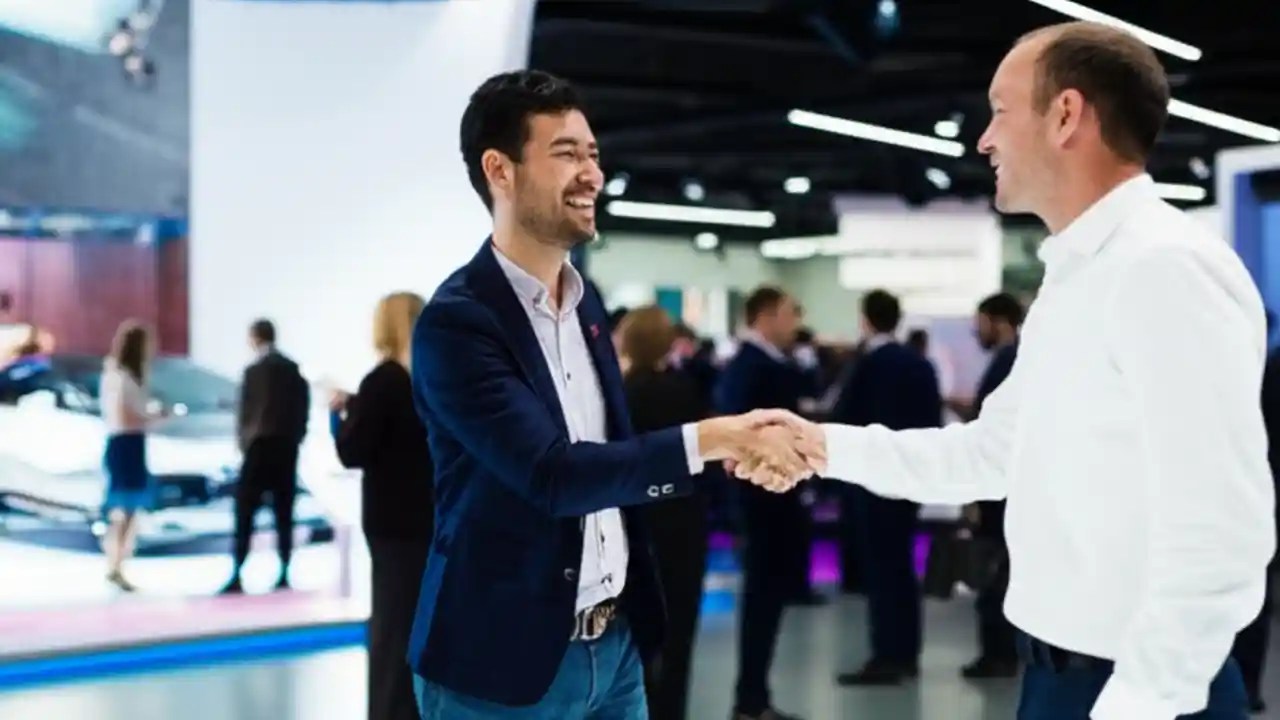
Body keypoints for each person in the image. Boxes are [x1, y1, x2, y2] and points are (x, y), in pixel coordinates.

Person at [737, 21, 1273, 720]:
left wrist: (1139, 701)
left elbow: (1221, 525)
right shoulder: (1078, 277)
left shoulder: (1163, 267)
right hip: (1062, 676)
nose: (984, 139)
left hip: (1136, 690)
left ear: (1065, 115)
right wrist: (820, 445)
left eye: (998, 111)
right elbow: (992, 454)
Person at [406, 69, 810, 720]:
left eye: (593, 154)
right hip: (501, 665)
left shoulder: (586, 303)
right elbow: (551, 475)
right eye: (566, 153)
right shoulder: (458, 324)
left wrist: (719, 459)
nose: (592, 173)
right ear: (499, 170)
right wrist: (714, 437)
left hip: (615, 647)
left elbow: (611, 454)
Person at [329, 291, 434, 720]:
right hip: (427, 520)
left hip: (391, 525)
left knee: (391, 628)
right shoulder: (430, 383)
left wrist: (338, 416)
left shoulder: (383, 381)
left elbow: (353, 451)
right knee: (415, 627)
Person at [831, 289, 941, 687]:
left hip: (872, 483)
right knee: (900, 568)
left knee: (881, 571)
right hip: (908, 481)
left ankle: (886, 656)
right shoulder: (917, 363)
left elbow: (845, 418)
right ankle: (906, 652)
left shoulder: (866, 365)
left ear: (866, 319)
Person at [715, 285, 813, 720]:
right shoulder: (752, 367)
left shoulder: (765, 365)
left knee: (767, 601)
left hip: (771, 504)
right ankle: (750, 700)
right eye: (791, 312)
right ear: (767, 315)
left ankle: (755, 698)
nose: (796, 322)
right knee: (761, 601)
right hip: (762, 506)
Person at [616, 306, 711, 720]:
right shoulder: (684, 392)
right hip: (680, 529)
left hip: (628, 528)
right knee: (677, 638)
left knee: (628, 638)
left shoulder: (615, 395)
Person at [958, 291, 1024, 680]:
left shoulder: (1008, 362)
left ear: (998, 321)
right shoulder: (1014, 361)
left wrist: (975, 494)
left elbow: (992, 438)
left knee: (994, 570)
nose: (976, 330)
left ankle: (998, 652)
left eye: (980, 322)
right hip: (1009, 491)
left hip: (1001, 494)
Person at [221, 319, 311, 594]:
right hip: (286, 448)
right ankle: (284, 571)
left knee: (245, 512)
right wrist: (296, 438)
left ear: (254, 338)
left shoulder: (254, 370)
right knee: (284, 511)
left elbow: (245, 412)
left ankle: (238, 571)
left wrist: (244, 443)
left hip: (259, 447)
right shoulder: (292, 369)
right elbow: (302, 409)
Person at [100, 320, 165, 592]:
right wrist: (153, 416)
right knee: (124, 510)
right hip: (126, 444)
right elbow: (127, 415)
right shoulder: (121, 377)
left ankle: (118, 564)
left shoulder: (124, 376)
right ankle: (115, 566)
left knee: (129, 511)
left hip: (130, 443)